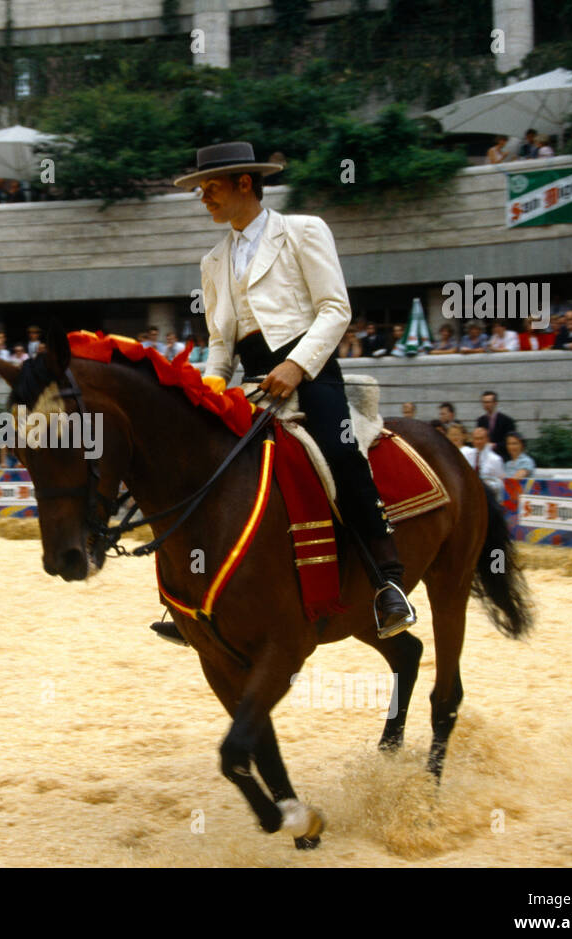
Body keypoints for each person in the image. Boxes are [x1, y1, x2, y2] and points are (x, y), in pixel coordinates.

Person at [171, 140, 414, 638]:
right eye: (200, 190)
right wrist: (210, 384)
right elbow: (221, 342)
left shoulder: (304, 231)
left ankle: (388, 584)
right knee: (199, 464)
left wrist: (297, 366)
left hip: (313, 370)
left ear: (245, 183)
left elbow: (335, 309)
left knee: (341, 456)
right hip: (252, 380)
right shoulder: (212, 262)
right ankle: (202, 593)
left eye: (210, 188)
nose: (203, 199)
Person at [462, 426, 506, 497]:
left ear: (487, 439)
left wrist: (487, 485)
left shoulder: (495, 459)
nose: (478, 441)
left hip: (489, 496)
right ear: (472, 440)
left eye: (481, 438)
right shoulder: (467, 455)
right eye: (476, 439)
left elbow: (501, 483)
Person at [476, 391, 516, 461]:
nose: (486, 405)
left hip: (503, 457)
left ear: (495, 403)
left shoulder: (507, 421)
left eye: (488, 402)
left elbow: (510, 441)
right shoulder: (480, 421)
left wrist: (495, 445)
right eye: (484, 402)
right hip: (486, 458)